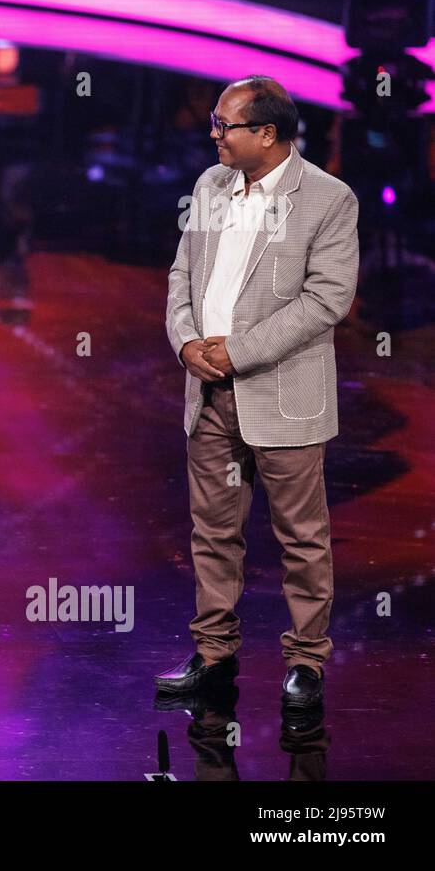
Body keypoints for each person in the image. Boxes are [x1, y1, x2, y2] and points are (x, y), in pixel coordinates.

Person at [158, 75, 359, 708]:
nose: (213, 133)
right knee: (214, 531)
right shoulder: (210, 187)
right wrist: (187, 343)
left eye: (225, 125)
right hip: (210, 393)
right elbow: (183, 272)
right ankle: (214, 654)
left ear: (266, 134)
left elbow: (327, 299)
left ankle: (307, 663)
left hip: (280, 396)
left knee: (301, 537)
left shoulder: (328, 199)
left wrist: (236, 352)